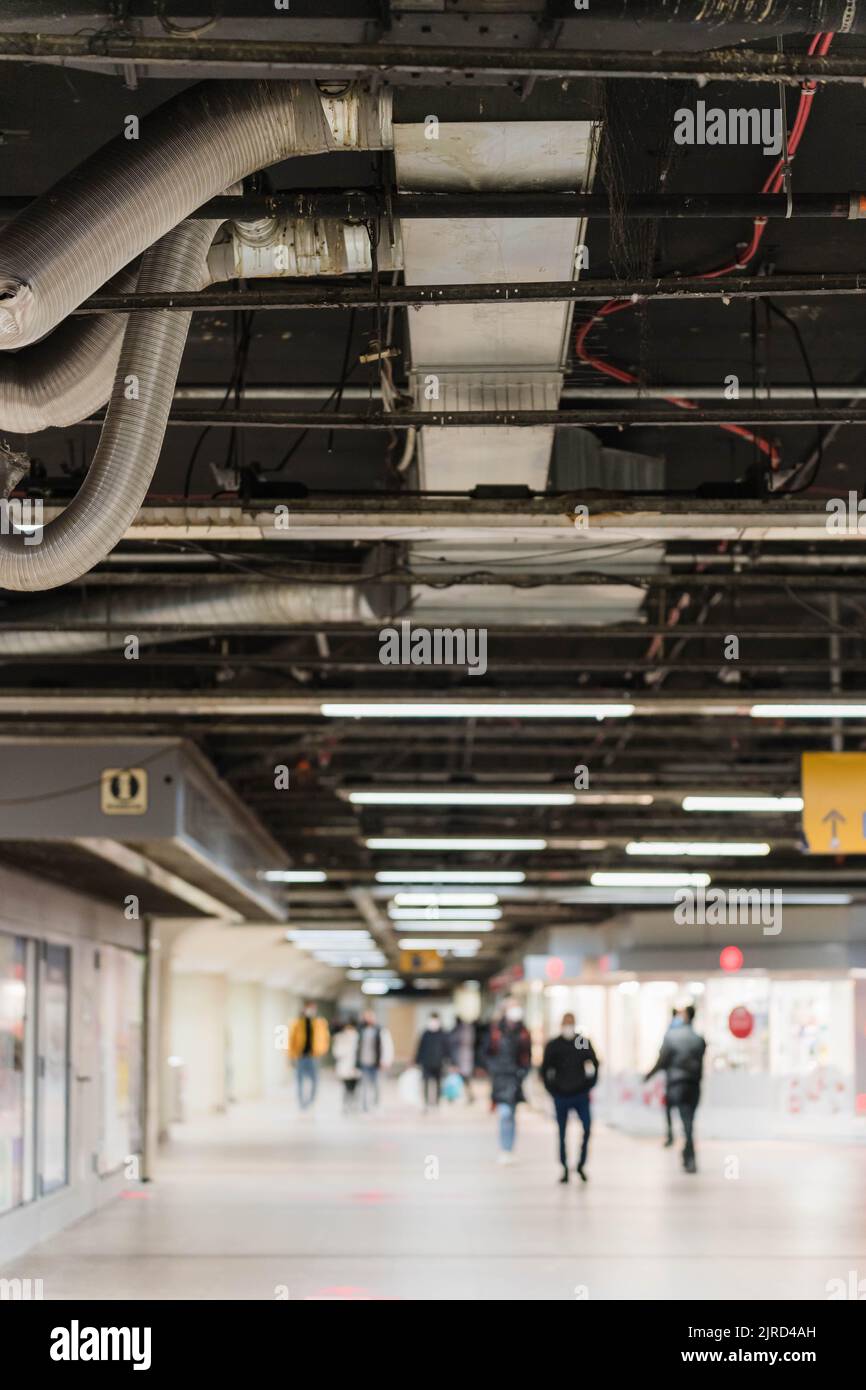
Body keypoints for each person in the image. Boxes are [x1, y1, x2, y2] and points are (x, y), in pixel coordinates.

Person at [645, 1004, 707, 1174]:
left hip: (677, 1083)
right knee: (689, 1121)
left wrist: (649, 1075)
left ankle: (688, 1154)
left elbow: (662, 1060)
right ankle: (688, 1154)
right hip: (693, 1084)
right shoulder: (698, 1039)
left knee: (683, 1119)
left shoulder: (672, 1036)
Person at [540, 1012, 600, 1184]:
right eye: (566, 1023)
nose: (568, 1026)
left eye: (571, 1023)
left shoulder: (580, 1041)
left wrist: (590, 1084)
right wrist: (552, 1090)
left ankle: (581, 1164)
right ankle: (564, 1166)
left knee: (587, 1128)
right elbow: (545, 1070)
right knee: (561, 1132)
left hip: (580, 1094)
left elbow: (593, 1062)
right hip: (561, 1095)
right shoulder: (554, 1044)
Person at [482, 997, 532, 1165]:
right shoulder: (496, 1031)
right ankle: (505, 1148)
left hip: (515, 1079)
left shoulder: (524, 1032)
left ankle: (510, 1148)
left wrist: (523, 1072)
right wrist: (494, 1069)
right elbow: (485, 1052)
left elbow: (527, 1056)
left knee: (511, 1114)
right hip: (500, 1078)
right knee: (504, 1114)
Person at [288, 1000, 330, 1110]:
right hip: (301, 1056)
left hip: (314, 1056)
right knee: (300, 1081)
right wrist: (291, 1055)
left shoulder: (320, 1023)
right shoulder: (297, 1023)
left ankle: (311, 1101)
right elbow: (291, 1039)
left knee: (315, 1080)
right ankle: (302, 1103)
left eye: (312, 1008)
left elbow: (325, 1038)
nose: (310, 1011)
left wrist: (322, 1051)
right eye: (308, 1008)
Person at [356, 1008, 394, 1111]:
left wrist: (385, 1060)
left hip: (376, 1063)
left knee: (376, 1085)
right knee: (364, 1085)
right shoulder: (360, 1030)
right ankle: (365, 1106)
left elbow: (387, 1046)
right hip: (364, 1062)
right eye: (366, 1016)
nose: (368, 1019)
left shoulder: (380, 1030)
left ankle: (375, 1104)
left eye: (370, 1016)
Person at [415, 1012, 451, 1109]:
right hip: (426, 1062)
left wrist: (448, 1060)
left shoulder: (443, 1033)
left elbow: (447, 1048)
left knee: (438, 1083)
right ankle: (426, 1103)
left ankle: (437, 1102)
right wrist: (417, 1060)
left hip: (439, 1063)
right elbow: (420, 1048)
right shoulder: (425, 1033)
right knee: (426, 1083)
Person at [332, 1017, 361, 1112]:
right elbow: (336, 1052)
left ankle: (352, 1105)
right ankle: (347, 1105)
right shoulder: (341, 1038)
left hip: (355, 1067)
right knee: (347, 1087)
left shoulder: (359, 1037)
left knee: (353, 1088)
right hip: (346, 1067)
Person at [449, 1016, 478, 1103]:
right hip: (462, 1058)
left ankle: (468, 1096)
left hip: (463, 1059)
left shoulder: (463, 1031)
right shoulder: (464, 1031)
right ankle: (454, 1095)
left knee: (463, 1079)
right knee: (459, 1079)